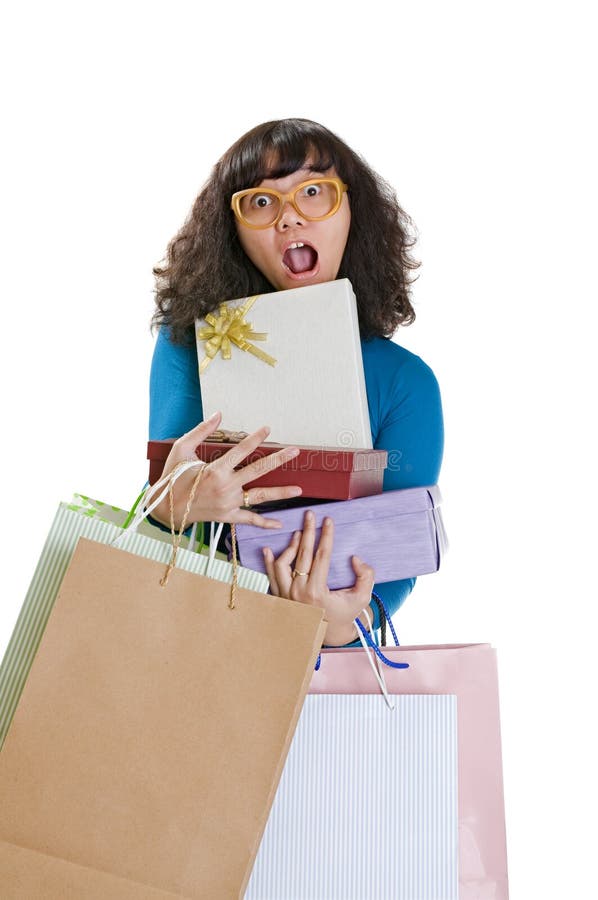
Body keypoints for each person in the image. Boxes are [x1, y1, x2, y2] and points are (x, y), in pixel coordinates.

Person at [148, 118, 444, 647]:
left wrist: (335, 623)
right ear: (231, 227)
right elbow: (154, 516)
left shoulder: (407, 383)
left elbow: (398, 553)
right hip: (190, 648)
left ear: (355, 211)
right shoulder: (188, 347)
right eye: (260, 202)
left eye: (313, 192)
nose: (289, 219)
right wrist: (172, 505)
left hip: (320, 675)